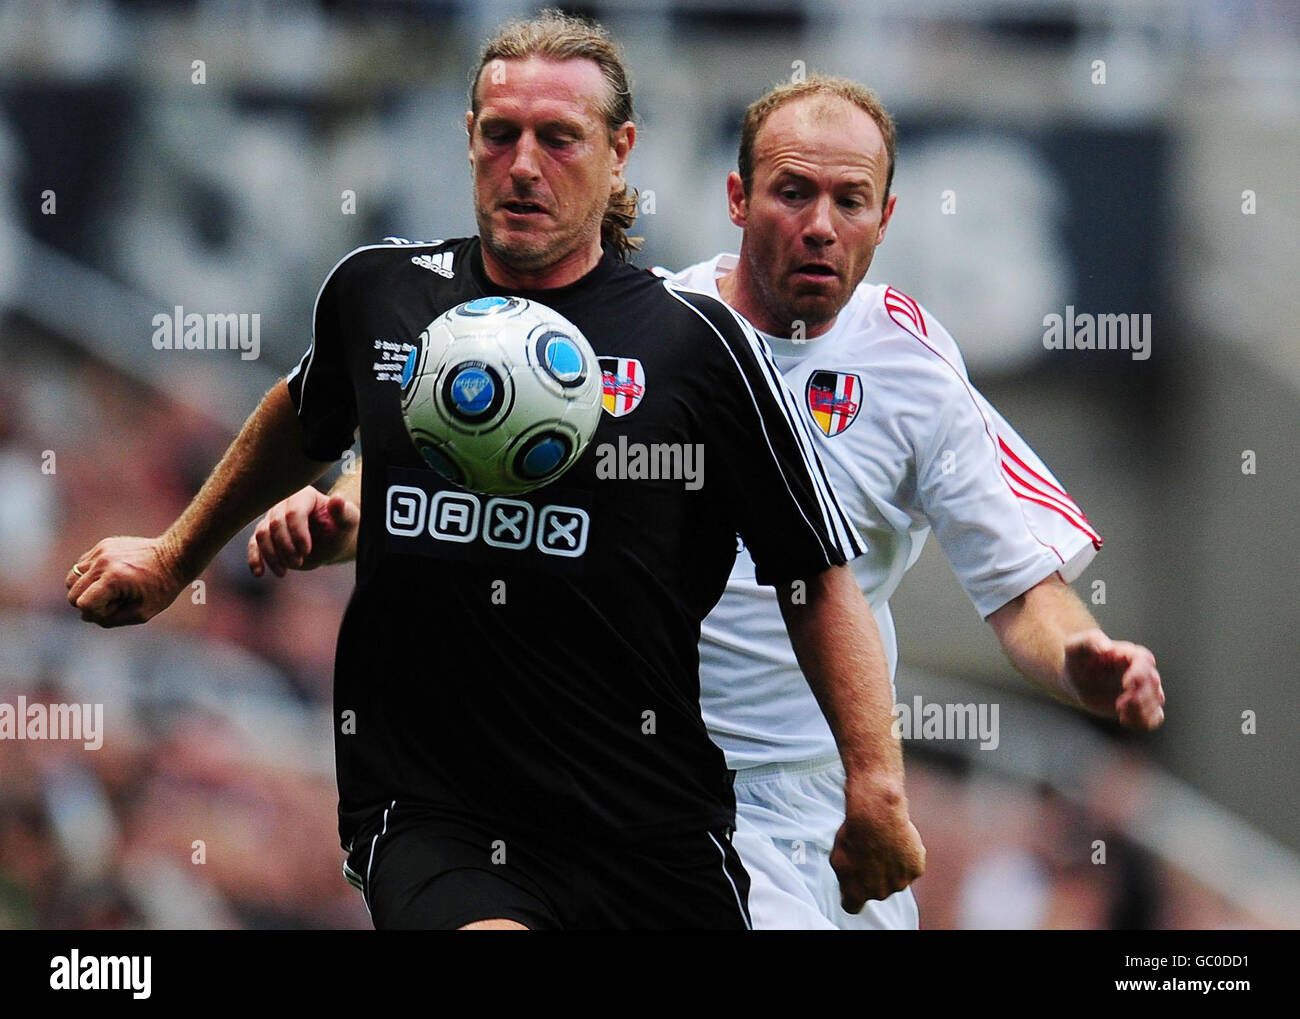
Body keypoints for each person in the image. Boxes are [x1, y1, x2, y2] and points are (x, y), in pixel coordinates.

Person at [67, 16, 924, 929]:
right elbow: (304, 411)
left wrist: (874, 782)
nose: (523, 165)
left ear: (619, 150)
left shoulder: (697, 347)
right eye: (499, 133)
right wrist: (172, 558)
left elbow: (815, 570)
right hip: (437, 810)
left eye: (558, 139)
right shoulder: (379, 293)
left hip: (650, 821)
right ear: (468, 137)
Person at [656, 75, 1167, 929]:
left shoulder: (912, 363)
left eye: (850, 200)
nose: (822, 224)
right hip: (682, 795)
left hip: (849, 801)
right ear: (738, 199)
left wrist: (1081, 653)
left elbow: (1021, 589)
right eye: (793, 192)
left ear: (885, 219)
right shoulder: (654, 335)